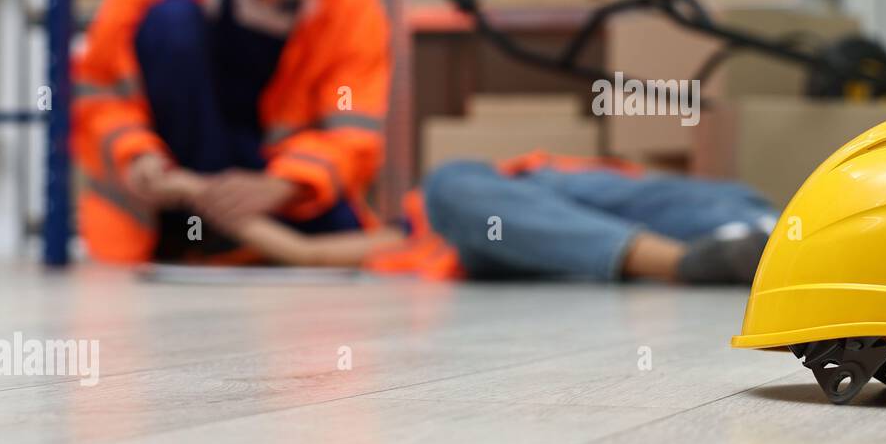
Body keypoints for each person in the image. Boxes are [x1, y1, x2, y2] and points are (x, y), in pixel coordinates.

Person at [71, 0, 390, 263]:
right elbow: (98, 88)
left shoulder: (351, 10)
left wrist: (286, 185)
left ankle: (239, 235)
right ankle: (200, 236)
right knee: (171, 23)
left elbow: (353, 136)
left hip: (278, 193)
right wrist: (137, 153)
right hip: (170, 202)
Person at [182, 153, 777, 286]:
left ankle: (776, 236)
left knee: (728, 200)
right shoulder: (423, 225)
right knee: (449, 183)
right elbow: (302, 253)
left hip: (577, 191)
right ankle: (681, 265)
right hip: (502, 233)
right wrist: (191, 190)